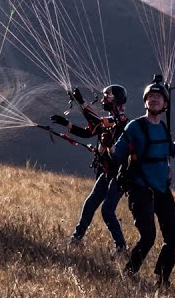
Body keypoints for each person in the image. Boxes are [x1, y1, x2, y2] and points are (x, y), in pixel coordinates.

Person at [109, 79, 175, 287]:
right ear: (145, 102)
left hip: (162, 189)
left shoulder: (163, 128)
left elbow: (173, 150)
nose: (154, 100)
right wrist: (106, 142)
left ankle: (162, 280)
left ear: (165, 104)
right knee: (148, 237)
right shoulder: (134, 127)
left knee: (174, 238)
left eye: (159, 97)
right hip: (140, 188)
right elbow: (116, 153)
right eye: (150, 97)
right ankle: (128, 273)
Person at [54, 84, 128, 254]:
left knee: (107, 211)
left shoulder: (123, 121)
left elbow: (99, 122)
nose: (103, 99)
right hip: (107, 171)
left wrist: (81, 103)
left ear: (116, 99)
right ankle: (76, 237)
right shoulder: (109, 120)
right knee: (90, 204)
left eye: (107, 96)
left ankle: (121, 246)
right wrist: (68, 124)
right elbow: (88, 132)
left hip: (120, 175)